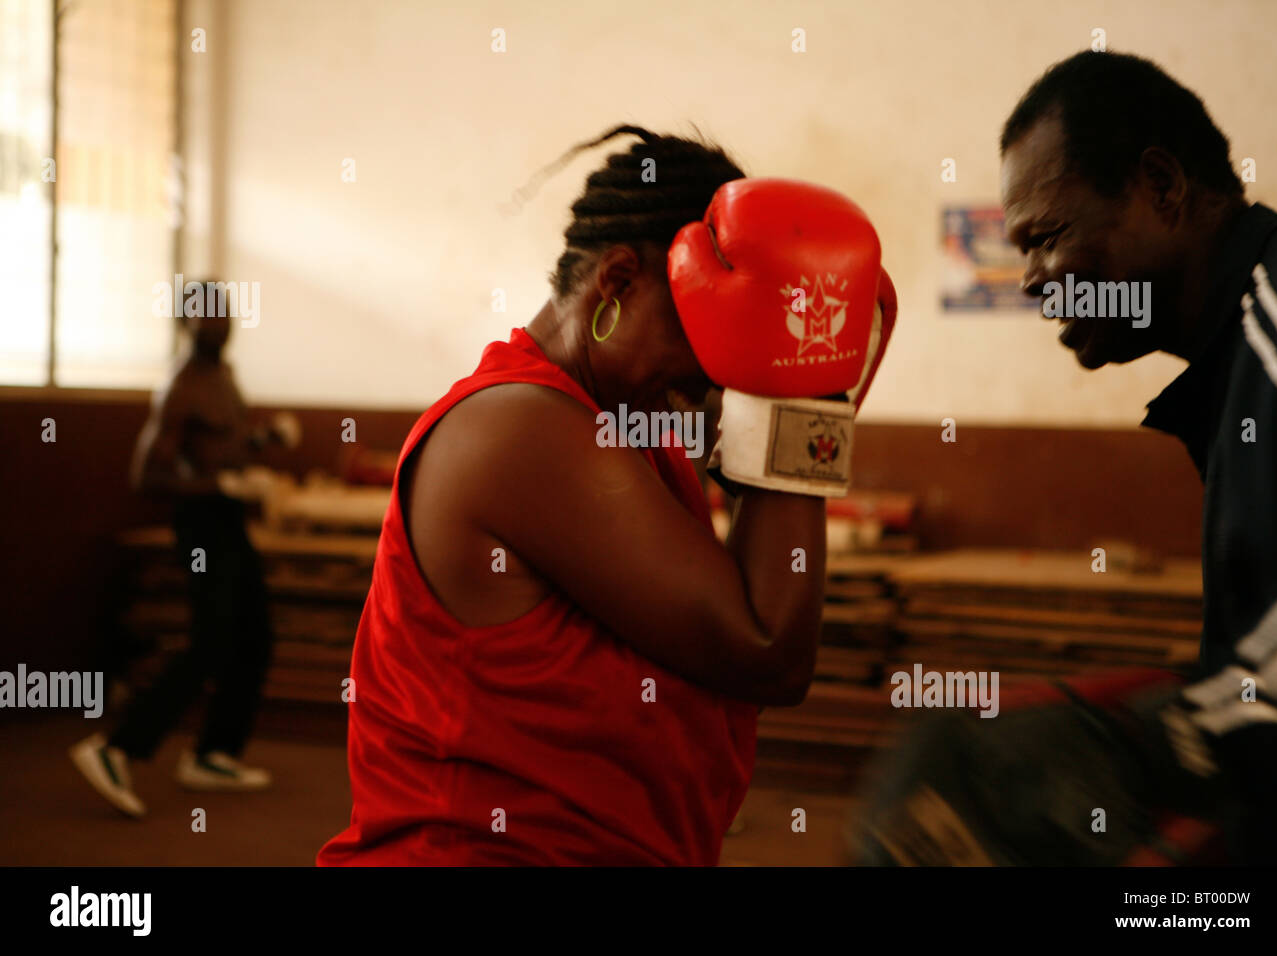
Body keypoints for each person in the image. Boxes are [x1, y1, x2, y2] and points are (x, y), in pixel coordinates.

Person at [317, 126, 897, 865]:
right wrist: (799, 384)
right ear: (617, 284)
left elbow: (735, 619)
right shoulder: (521, 426)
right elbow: (767, 649)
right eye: (709, 331)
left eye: (741, 340)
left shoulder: (631, 429)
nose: (718, 376)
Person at [851, 50, 1277, 867]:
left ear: (1160, 187)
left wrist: (1141, 739)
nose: (1030, 280)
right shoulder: (1240, 362)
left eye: (1047, 237)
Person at [70, 283, 299, 817]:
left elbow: (223, 448)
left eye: (223, 315)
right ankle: (115, 747)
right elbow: (146, 473)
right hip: (201, 525)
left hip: (227, 520)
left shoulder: (224, 378)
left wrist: (265, 441)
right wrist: (218, 488)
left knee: (256, 635)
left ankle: (214, 753)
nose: (217, 325)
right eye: (205, 318)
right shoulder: (181, 387)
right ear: (186, 323)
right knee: (212, 639)